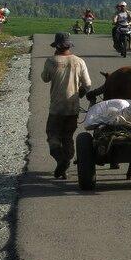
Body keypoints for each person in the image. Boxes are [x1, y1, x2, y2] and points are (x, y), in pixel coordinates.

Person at [40, 32, 91, 179]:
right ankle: (66, 164)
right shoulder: (79, 61)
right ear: (69, 46)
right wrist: (80, 92)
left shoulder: (51, 61)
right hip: (72, 107)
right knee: (68, 136)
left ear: (56, 46)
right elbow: (87, 84)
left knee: (52, 135)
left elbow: (44, 78)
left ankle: (61, 160)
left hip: (56, 108)